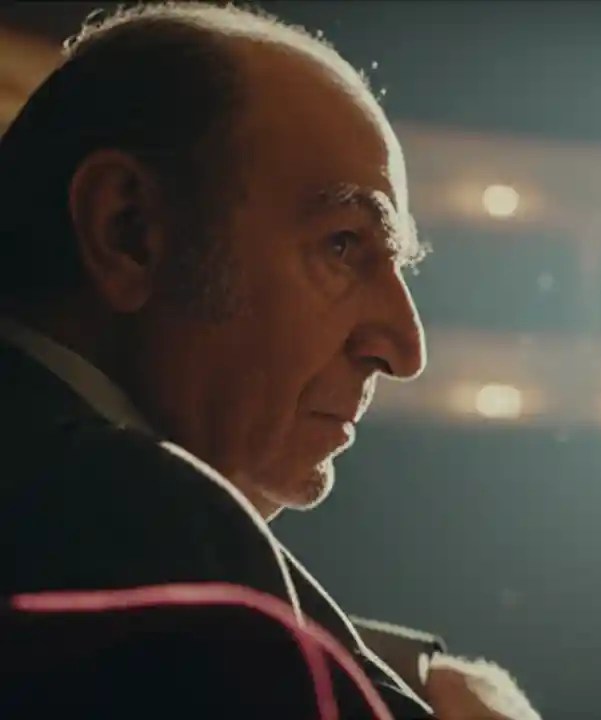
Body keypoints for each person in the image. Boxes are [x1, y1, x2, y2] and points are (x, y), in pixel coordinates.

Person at [0, 3, 537, 719]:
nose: (404, 348)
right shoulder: (141, 501)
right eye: (343, 244)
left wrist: (420, 666)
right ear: (127, 230)